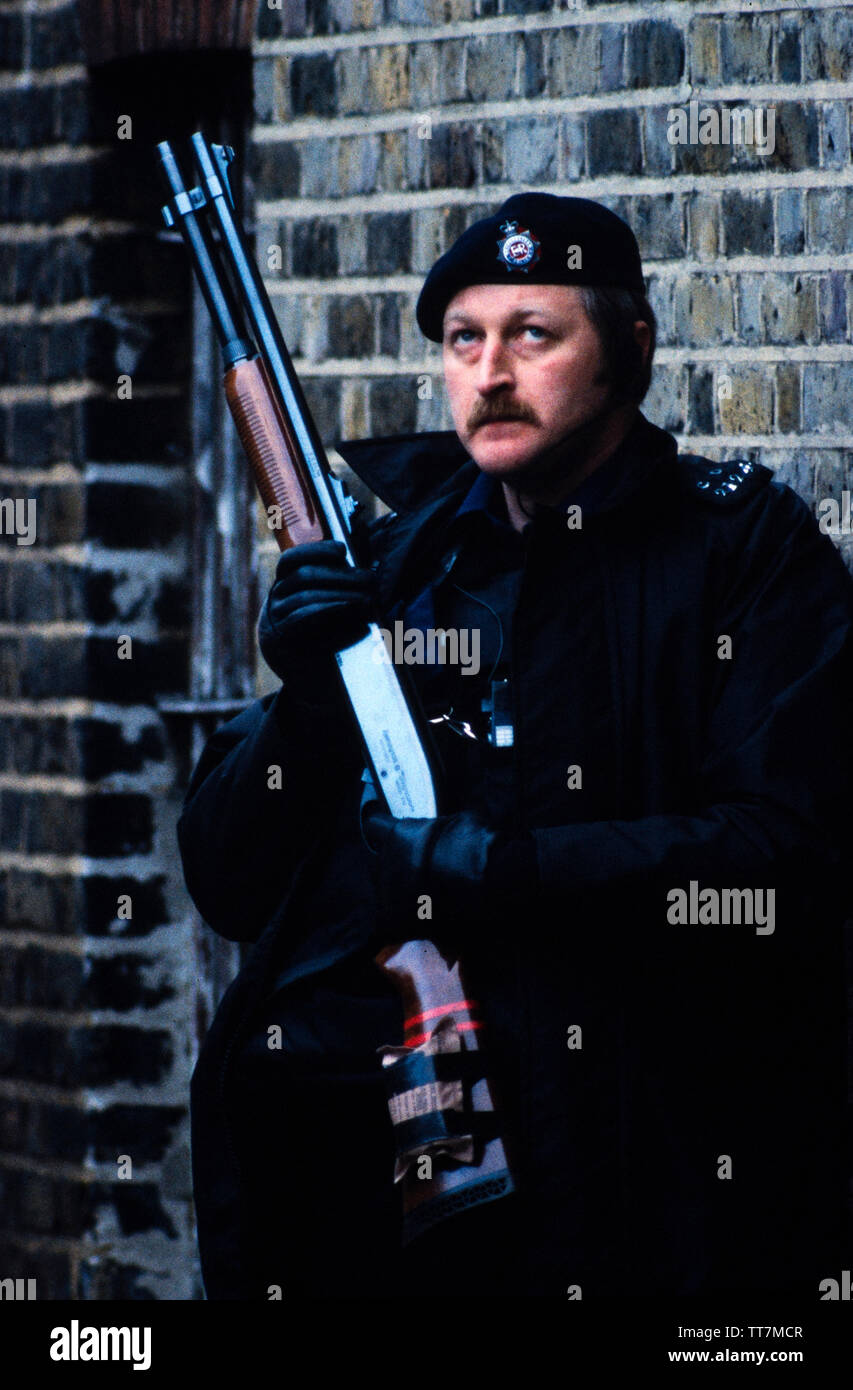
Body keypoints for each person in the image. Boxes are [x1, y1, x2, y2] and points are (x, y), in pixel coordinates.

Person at [178, 193, 853, 1300]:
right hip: (416, 1192)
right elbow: (230, 879)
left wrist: (504, 870)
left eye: (532, 334)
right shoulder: (397, 571)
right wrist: (304, 707)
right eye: (463, 340)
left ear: (629, 349)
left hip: (659, 1191)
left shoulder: (743, 553)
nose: (489, 372)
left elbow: (783, 862)